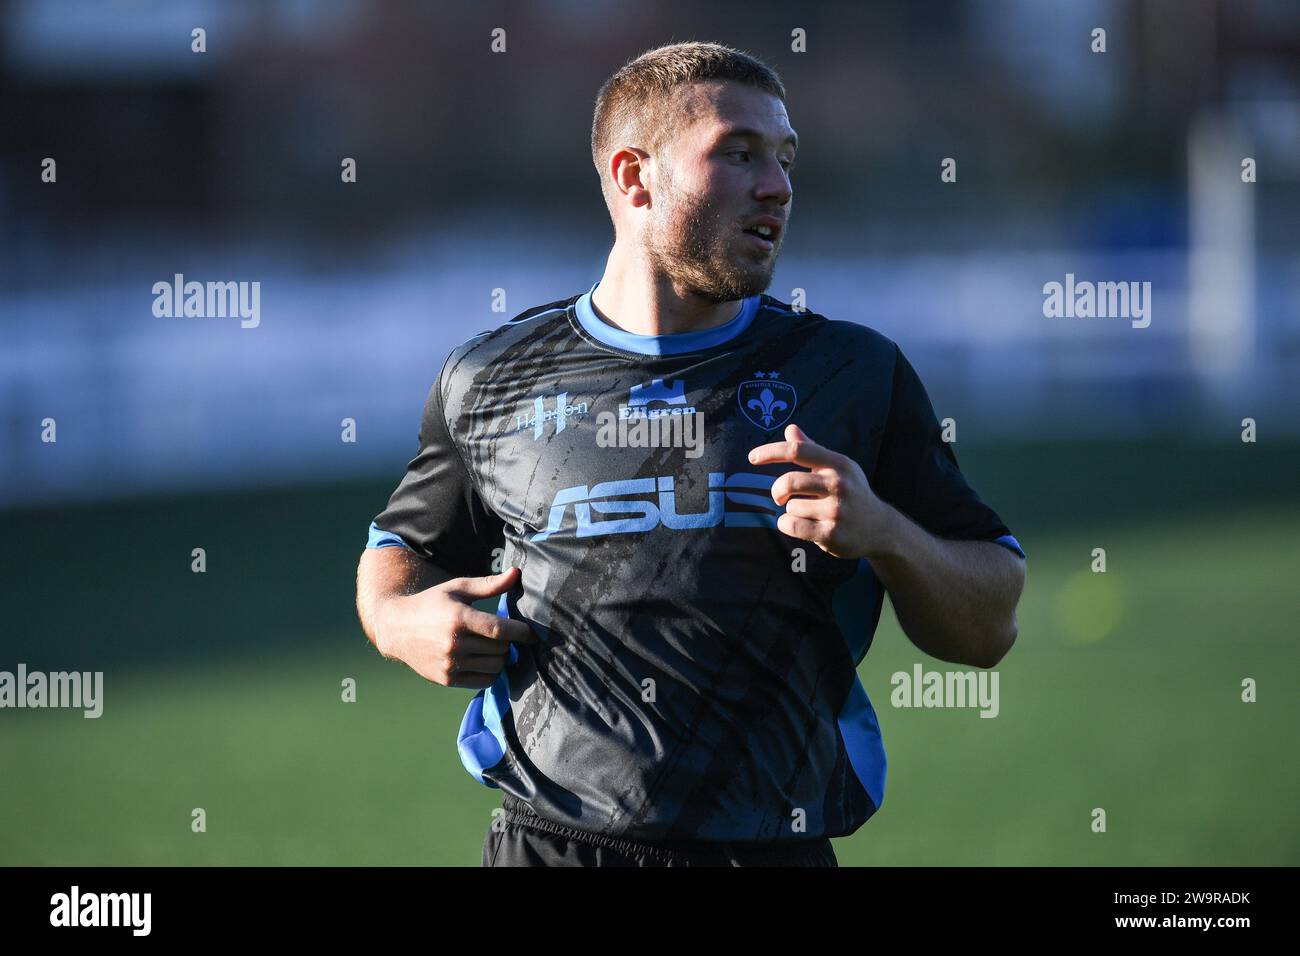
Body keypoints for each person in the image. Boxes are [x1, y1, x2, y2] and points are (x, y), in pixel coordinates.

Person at [355, 41, 1026, 867]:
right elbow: (400, 551)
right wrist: (398, 621)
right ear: (634, 177)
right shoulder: (492, 377)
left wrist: (887, 532)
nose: (777, 185)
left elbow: (990, 625)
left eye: (784, 159)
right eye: (738, 155)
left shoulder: (852, 373)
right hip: (550, 848)